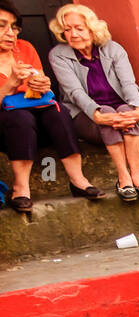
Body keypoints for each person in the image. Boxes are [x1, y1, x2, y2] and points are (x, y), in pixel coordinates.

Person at [0, 0, 105, 215]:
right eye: (2, 26)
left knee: (58, 112)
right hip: (8, 128)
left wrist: (42, 84)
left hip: (36, 123)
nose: (10, 33)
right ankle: (21, 188)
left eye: (14, 27)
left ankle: (78, 180)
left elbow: (36, 86)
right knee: (21, 118)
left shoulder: (25, 48)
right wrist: (10, 84)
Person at [46, 4, 139, 202]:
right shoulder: (58, 54)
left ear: (92, 28)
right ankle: (124, 178)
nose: (73, 34)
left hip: (118, 111)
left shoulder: (113, 49)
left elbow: (129, 84)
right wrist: (98, 115)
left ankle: (137, 175)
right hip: (84, 116)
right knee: (106, 110)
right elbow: (75, 93)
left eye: (79, 28)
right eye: (67, 30)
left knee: (127, 110)